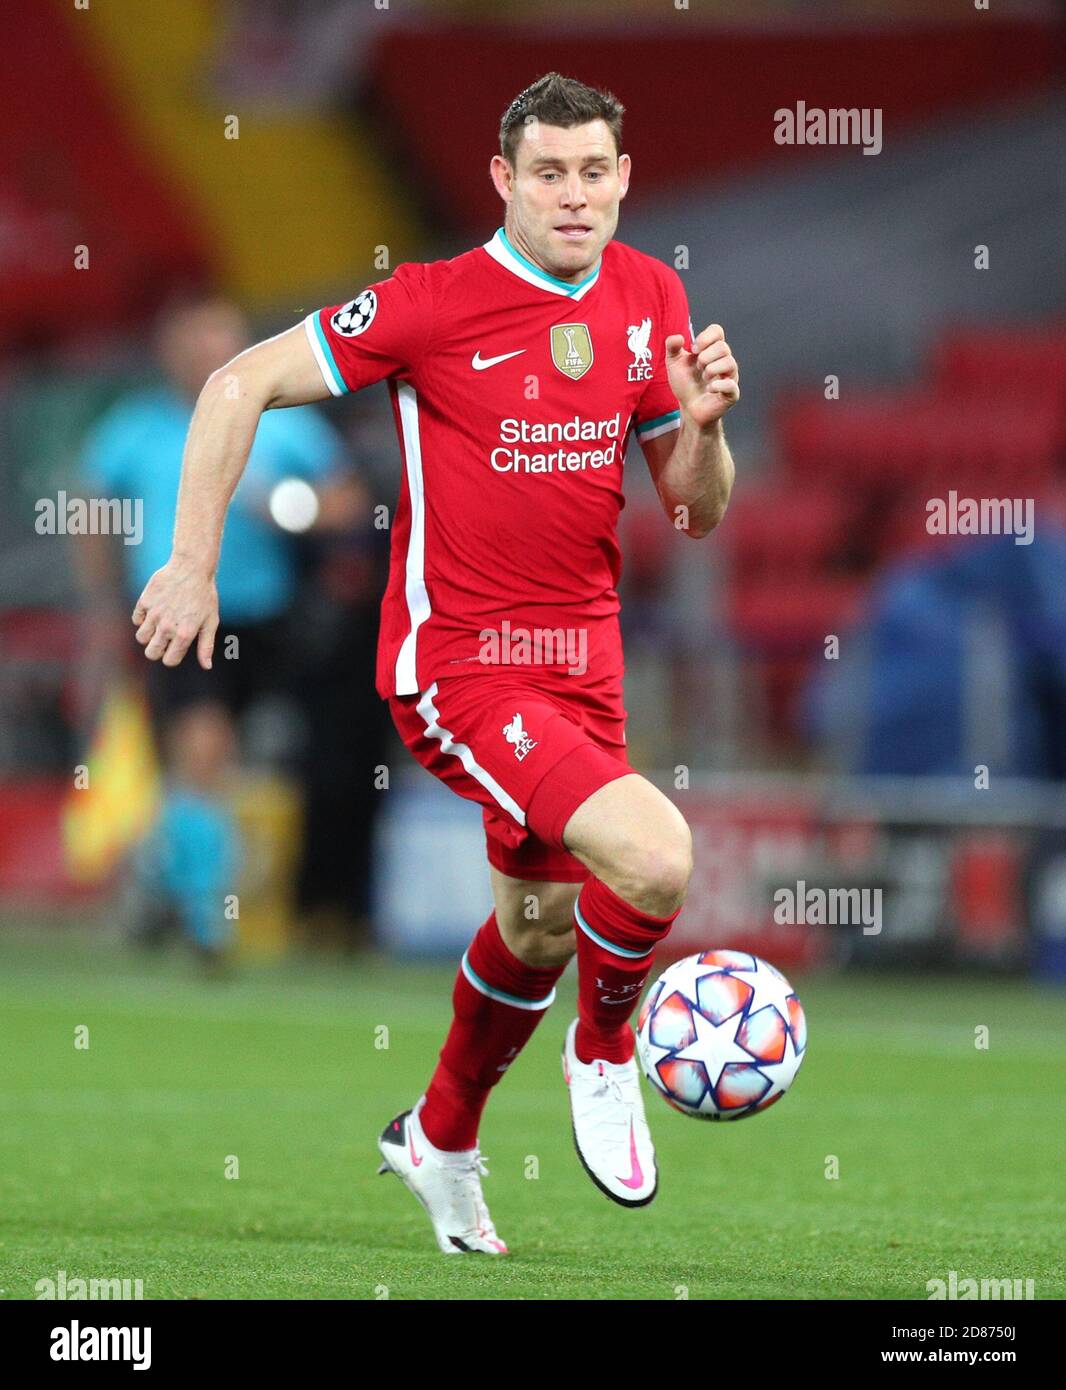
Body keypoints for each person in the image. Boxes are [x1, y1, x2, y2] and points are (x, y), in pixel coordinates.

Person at [130, 73, 739, 1249]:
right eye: (547, 173)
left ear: (623, 178)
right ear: (504, 182)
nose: (574, 195)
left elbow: (694, 510)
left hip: (584, 663)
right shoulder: (433, 302)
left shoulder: (649, 293)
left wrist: (705, 434)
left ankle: (440, 1136)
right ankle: (604, 1053)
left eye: (593, 171)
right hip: (460, 665)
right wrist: (191, 561)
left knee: (543, 924)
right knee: (655, 857)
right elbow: (236, 381)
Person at [80, 294, 359, 958]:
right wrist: (100, 602)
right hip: (177, 616)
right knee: (201, 749)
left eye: (218, 340)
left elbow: (346, 500)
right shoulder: (136, 428)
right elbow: (92, 505)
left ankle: (156, 874)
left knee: (226, 764)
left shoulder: (280, 420)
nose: (205, 355)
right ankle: (208, 919)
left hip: (267, 619)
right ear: (167, 352)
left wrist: (292, 508)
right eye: (192, 342)